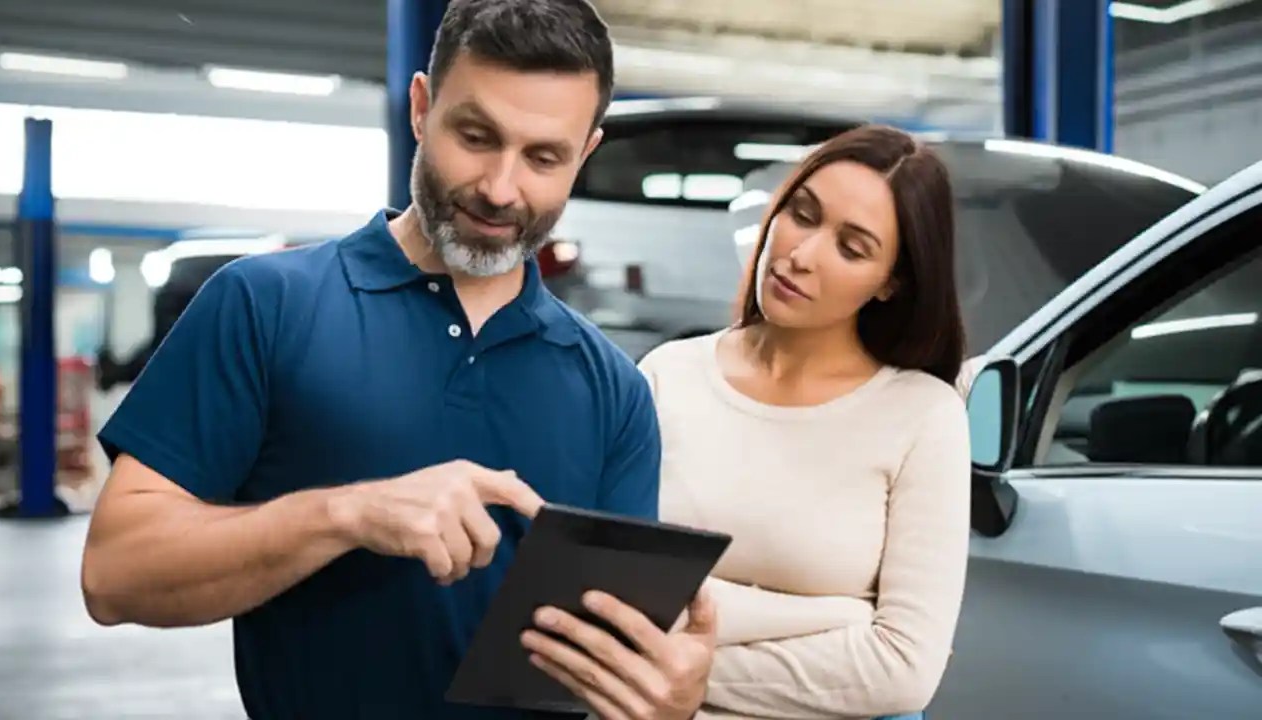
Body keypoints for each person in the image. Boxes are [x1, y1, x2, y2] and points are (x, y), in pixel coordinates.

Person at [79, 1, 713, 718]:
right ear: (420, 108)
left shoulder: (614, 390)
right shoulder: (266, 305)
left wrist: (664, 695)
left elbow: (611, 655)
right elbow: (116, 574)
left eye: (544, 157)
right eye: (476, 136)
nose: (502, 189)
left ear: (585, 154)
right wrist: (348, 513)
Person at [636, 125, 972, 719]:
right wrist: (834, 617)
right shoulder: (668, 375)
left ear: (891, 282)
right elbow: (614, 600)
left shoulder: (922, 415)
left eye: (852, 248)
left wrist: (687, 669)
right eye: (803, 213)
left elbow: (903, 670)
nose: (801, 254)